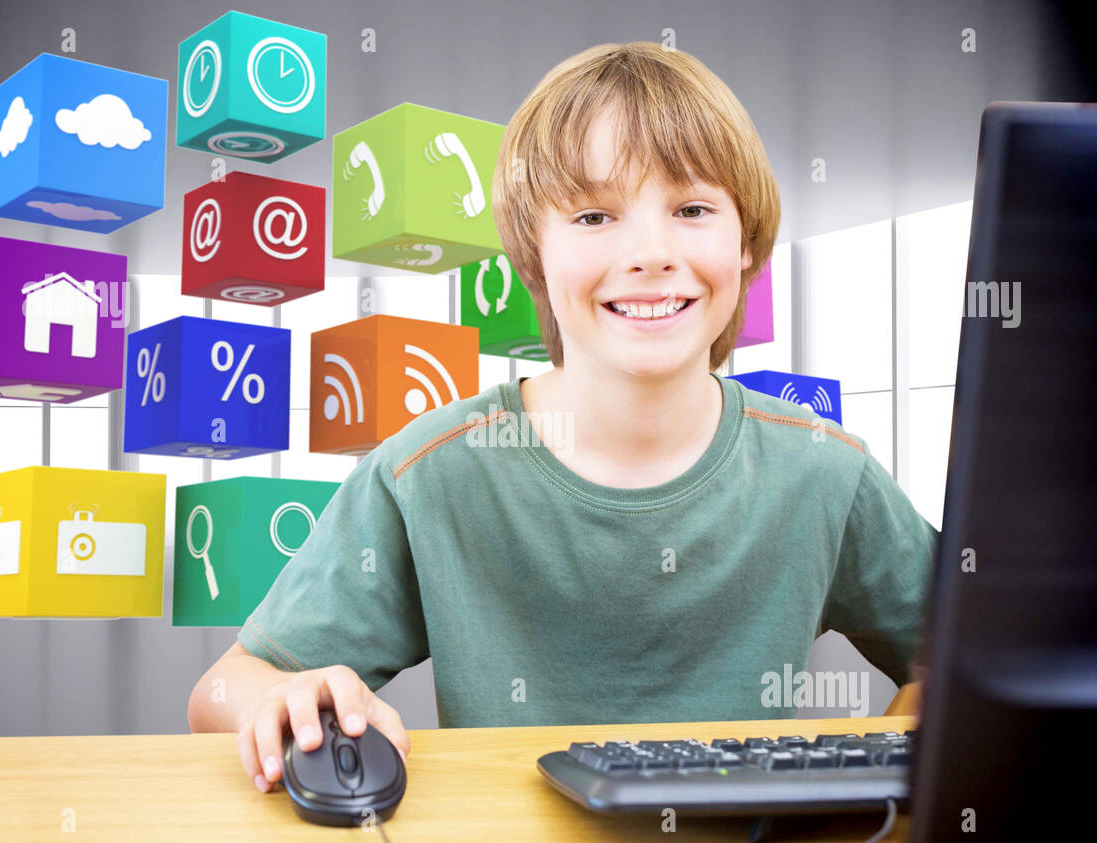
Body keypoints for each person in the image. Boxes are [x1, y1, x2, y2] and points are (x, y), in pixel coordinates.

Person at [188, 41, 938, 795]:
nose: (650, 252)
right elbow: (224, 689)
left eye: (693, 209)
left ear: (745, 243)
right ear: (533, 256)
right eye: (593, 214)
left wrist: (880, 755)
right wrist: (280, 700)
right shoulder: (430, 470)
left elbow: (960, 661)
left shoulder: (825, 467)